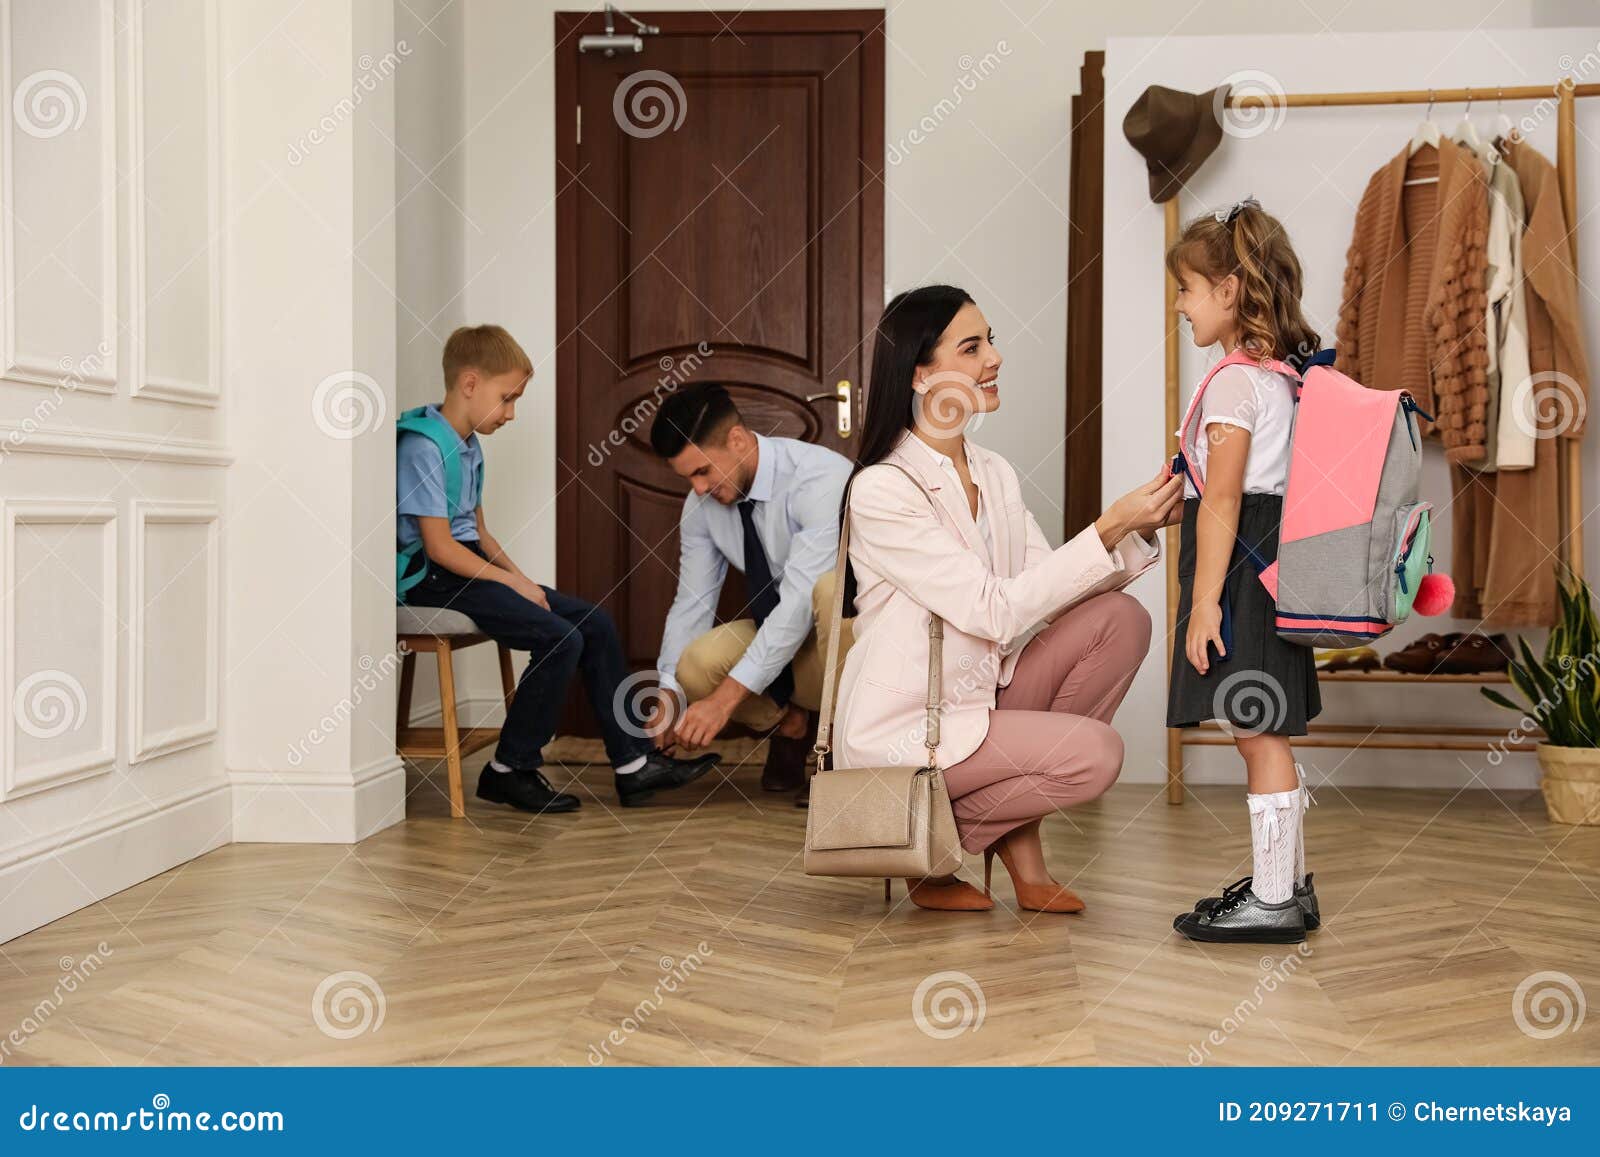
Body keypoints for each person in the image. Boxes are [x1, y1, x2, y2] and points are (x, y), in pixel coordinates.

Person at [834, 285, 1179, 913]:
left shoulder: (992, 471)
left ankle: (1003, 851)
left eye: (991, 340)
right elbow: (994, 609)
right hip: (913, 727)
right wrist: (1105, 526)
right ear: (920, 373)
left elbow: (1047, 587)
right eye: (972, 347)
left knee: (1120, 620)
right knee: (1096, 755)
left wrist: (1139, 525)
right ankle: (928, 845)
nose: (994, 358)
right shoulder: (882, 488)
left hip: (981, 695)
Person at [398, 324, 719, 814]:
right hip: (430, 579)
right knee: (560, 637)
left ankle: (634, 766)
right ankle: (510, 769)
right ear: (469, 384)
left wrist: (522, 580)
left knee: (594, 622)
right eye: (506, 399)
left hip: (467, 568)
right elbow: (441, 547)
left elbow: (479, 535)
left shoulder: (467, 446)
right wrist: (508, 583)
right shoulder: (423, 447)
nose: (510, 413)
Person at [1164, 199, 1324, 943]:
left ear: (1228, 291)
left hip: (1243, 571)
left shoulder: (1234, 382)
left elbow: (1224, 495)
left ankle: (1273, 898)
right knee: (1263, 729)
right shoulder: (1278, 375)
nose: (1180, 304)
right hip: (1271, 560)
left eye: (1189, 289)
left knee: (1258, 733)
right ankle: (1286, 883)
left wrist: (1204, 605)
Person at [648, 383, 854, 803]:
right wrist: (669, 692)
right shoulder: (701, 505)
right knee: (692, 666)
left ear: (737, 440)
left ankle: (845, 751)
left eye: (703, 471)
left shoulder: (821, 477)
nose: (699, 488)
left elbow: (799, 603)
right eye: (689, 477)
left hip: (846, 639)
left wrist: (724, 702)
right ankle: (792, 724)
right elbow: (692, 601)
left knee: (828, 589)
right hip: (787, 642)